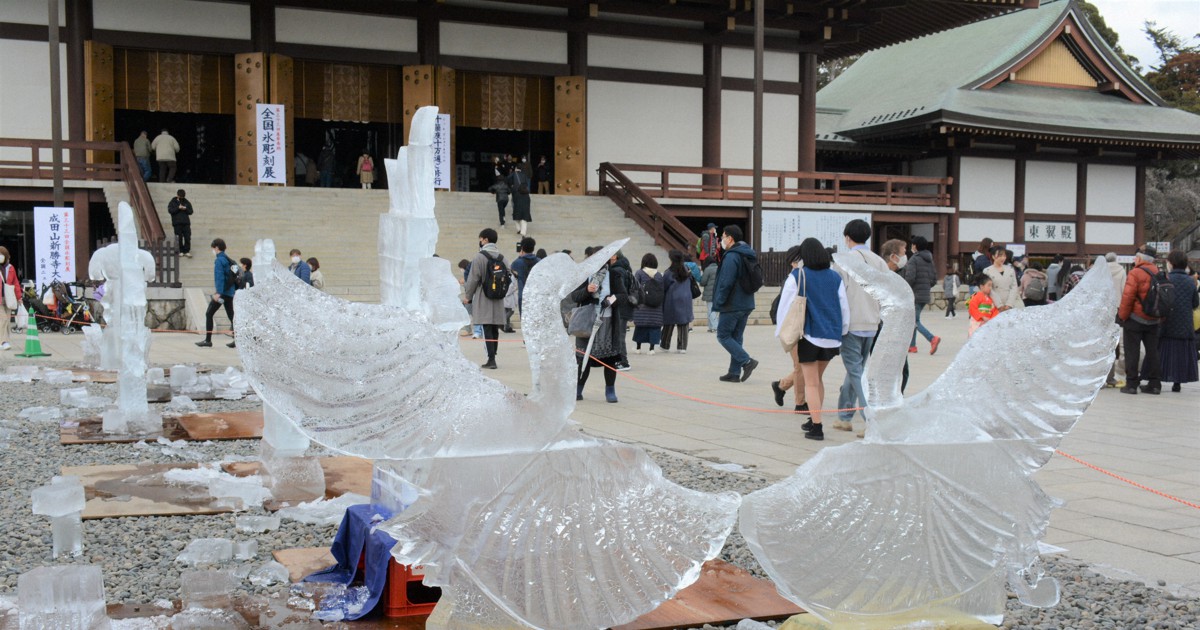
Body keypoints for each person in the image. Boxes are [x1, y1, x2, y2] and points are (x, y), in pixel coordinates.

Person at [834, 219, 890, 434]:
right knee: (855, 370)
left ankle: (871, 420)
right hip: (872, 323)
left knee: (856, 372)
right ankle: (844, 416)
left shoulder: (844, 261)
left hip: (851, 323)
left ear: (847, 237)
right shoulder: (879, 262)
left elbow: (838, 294)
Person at [793, 238, 849, 441]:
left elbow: (786, 304)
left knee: (811, 383)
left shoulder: (799, 275)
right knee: (817, 380)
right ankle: (813, 419)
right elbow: (844, 307)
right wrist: (842, 330)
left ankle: (817, 426)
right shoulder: (835, 277)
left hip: (809, 335)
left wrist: (782, 332)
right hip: (832, 336)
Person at [570, 249, 633, 403]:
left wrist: (611, 300)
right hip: (587, 321)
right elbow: (574, 296)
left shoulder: (614, 275)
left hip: (608, 322)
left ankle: (610, 390)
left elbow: (623, 296)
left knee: (610, 358)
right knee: (583, 357)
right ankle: (578, 389)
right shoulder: (584, 275)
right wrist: (587, 290)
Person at [712, 225, 759, 383]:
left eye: (723, 236)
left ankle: (747, 361)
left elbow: (726, 282)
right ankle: (734, 372)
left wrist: (719, 301)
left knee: (723, 335)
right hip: (746, 302)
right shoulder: (747, 253)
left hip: (732, 304)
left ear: (730, 238)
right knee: (736, 337)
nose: (722, 240)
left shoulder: (732, 256)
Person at [1119, 245, 1166, 395]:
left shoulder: (1135, 272)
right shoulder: (1159, 272)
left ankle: (1132, 384)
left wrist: (1122, 316)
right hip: (1154, 319)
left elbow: (1128, 297)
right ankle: (1155, 384)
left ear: (1139, 258)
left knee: (1132, 352)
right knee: (1153, 352)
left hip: (1135, 319)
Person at [771, 245, 809, 415]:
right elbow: (784, 306)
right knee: (800, 365)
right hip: (794, 327)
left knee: (805, 366)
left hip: (805, 327)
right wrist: (782, 331)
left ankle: (781, 386)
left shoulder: (804, 275)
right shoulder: (794, 278)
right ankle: (800, 403)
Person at [462, 228, 507, 369]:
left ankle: (491, 359)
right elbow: (509, 277)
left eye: (481, 239)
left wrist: (468, 296)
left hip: (484, 296)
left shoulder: (479, 257)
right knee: (494, 328)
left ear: (485, 239)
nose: (480, 241)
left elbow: (473, 279)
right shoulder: (502, 258)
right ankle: (493, 355)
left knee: (486, 326)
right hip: (498, 298)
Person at [1159, 250, 1198, 393]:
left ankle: (1157, 379)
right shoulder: (1190, 281)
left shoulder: (1166, 279)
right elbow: (1195, 303)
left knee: (1163, 352)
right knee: (1182, 354)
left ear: (1171, 263)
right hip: (1185, 323)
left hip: (1167, 322)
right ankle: (1178, 383)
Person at [881, 238, 911, 393]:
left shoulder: (900, 274)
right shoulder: (882, 275)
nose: (906, 256)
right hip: (884, 328)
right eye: (903, 253)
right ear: (893, 256)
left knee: (903, 370)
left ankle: (897, 397)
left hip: (898, 328)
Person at [903, 236, 941, 354]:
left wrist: (904, 288)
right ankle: (912, 346)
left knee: (914, 321)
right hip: (925, 294)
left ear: (915, 246)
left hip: (915, 294)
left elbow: (910, 278)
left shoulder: (914, 259)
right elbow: (934, 279)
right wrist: (925, 287)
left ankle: (932, 338)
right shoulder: (929, 259)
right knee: (914, 319)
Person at [196, 238, 236, 348]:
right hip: (229, 292)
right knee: (232, 316)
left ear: (217, 248)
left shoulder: (219, 260)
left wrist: (218, 292)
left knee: (209, 313)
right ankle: (238, 339)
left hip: (222, 293)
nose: (213, 250)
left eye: (213, 248)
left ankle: (208, 340)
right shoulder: (228, 259)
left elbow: (220, 277)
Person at [660, 250, 694, 353]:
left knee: (668, 322)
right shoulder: (687, 269)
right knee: (683, 323)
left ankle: (665, 345)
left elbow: (664, 287)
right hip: (686, 298)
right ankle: (682, 347)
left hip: (672, 299)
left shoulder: (668, 272)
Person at [631, 253, 663, 354]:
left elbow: (634, 288)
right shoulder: (659, 275)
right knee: (654, 328)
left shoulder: (639, 273)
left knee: (640, 327)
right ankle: (651, 349)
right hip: (656, 306)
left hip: (642, 306)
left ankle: (638, 348)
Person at [1104, 252, 1127, 388]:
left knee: (1104, 344)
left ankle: (1104, 377)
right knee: (1116, 343)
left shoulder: (1101, 271)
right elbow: (1124, 291)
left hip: (1103, 309)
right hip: (1117, 309)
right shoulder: (1122, 271)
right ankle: (1114, 376)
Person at [983, 246, 1022, 312]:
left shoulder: (1010, 269)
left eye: (1004, 256)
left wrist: (1009, 304)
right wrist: (999, 304)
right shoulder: (987, 271)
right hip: (995, 303)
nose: (1003, 258)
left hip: (1013, 302)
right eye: (1000, 256)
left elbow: (1014, 286)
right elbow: (989, 289)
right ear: (993, 256)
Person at [510, 237, 540, 314]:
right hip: (536, 295)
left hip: (523, 295)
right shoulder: (539, 261)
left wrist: (520, 256)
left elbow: (512, 269)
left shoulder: (517, 263)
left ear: (522, 248)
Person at [166, 189, 194, 258]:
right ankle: (180, 251)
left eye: (183, 197)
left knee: (187, 237)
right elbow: (170, 210)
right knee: (179, 237)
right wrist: (178, 208)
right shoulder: (173, 201)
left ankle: (187, 251)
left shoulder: (186, 201)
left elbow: (191, 211)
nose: (181, 198)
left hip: (186, 223)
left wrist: (185, 209)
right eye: (180, 197)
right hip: (177, 223)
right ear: (177, 195)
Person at [0, 246, 18, 351]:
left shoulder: (10, 268)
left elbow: (15, 282)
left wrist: (19, 297)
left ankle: (4, 341)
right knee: (3, 319)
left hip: (8, 298)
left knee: (6, 321)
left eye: (2, 255)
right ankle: (4, 342)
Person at [507, 165, 532, 236]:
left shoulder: (514, 174)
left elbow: (508, 178)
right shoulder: (524, 175)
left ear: (516, 168)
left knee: (516, 216)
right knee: (524, 218)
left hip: (516, 194)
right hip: (525, 204)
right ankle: (523, 232)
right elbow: (526, 183)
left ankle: (518, 229)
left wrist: (511, 186)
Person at [700, 260, 719, 332]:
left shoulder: (707, 269)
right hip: (718, 292)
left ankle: (714, 327)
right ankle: (711, 327)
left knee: (710, 310)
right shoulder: (719, 268)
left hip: (709, 293)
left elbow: (703, 282)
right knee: (714, 310)